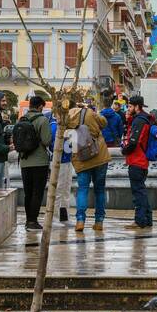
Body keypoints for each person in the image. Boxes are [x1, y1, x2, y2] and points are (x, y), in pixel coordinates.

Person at [69, 96, 110, 232]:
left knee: (82, 189)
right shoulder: (89, 113)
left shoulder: (65, 119)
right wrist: (92, 112)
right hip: (99, 155)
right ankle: (99, 222)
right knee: (99, 190)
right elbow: (104, 123)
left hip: (80, 158)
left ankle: (80, 221)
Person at [16, 95, 52, 230]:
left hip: (24, 161)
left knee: (28, 192)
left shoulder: (22, 119)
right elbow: (47, 141)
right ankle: (33, 221)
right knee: (37, 192)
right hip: (40, 162)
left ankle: (28, 220)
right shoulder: (43, 120)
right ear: (41, 106)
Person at [121, 93, 156, 228]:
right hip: (141, 161)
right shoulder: (144, 119)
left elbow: (134, 142)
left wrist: (124, 150)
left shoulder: (139, 121)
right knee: (141, 191)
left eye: (130, 106)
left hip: (137, 160)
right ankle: (147, 219)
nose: (128, 109)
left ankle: (140, 220)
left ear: (137, 107)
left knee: (138, 192)